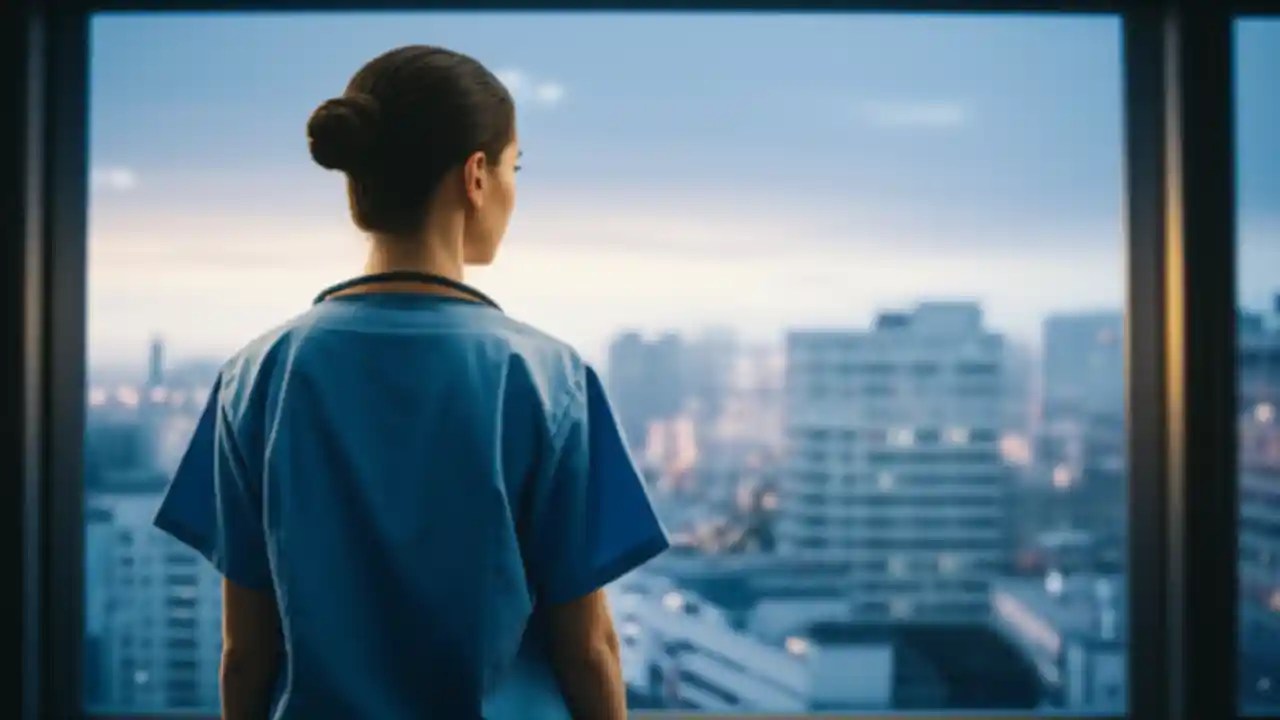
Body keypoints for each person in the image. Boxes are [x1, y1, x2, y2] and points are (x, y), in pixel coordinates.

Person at [154, 45, 669, 720]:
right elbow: (589, 648)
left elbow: (246, 652)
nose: (515, 191)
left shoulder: (259, 374)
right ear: (476, 175)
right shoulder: (546, 378)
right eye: (517, 167)